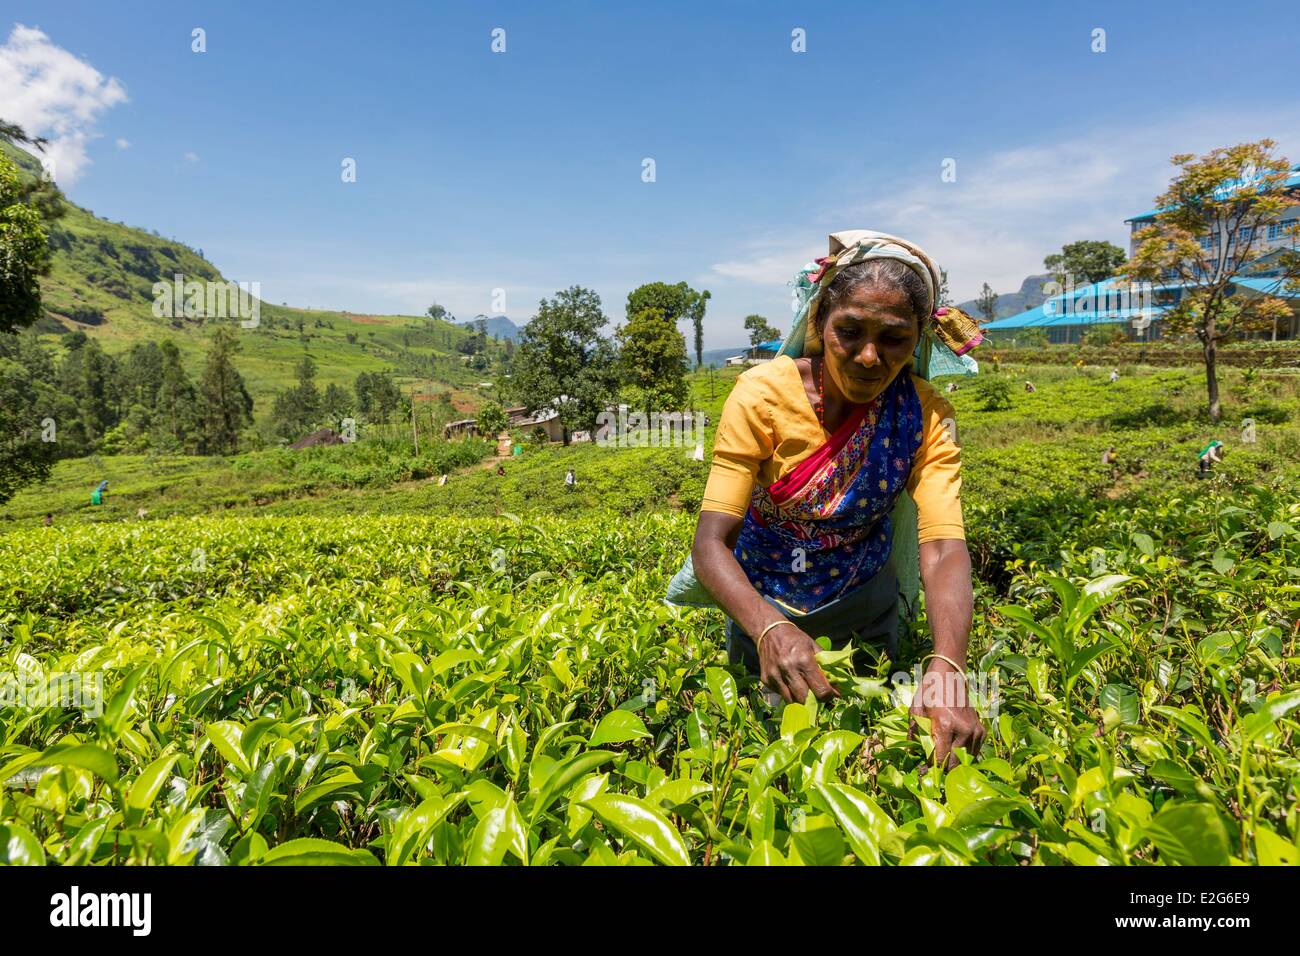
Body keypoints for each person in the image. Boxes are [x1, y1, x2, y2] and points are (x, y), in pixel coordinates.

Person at [690, 230, 983, 769]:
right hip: (765, 605)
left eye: (893, 339)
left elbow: (943, 547)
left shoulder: (927, 415)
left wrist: (948, 666)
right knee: (763, 761)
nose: (869, 358)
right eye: (850, 331)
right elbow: (710, 543)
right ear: (820, 320)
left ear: (919, 338)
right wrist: (769, 629)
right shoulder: (761, 395)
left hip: (865, 604)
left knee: (876, 754)